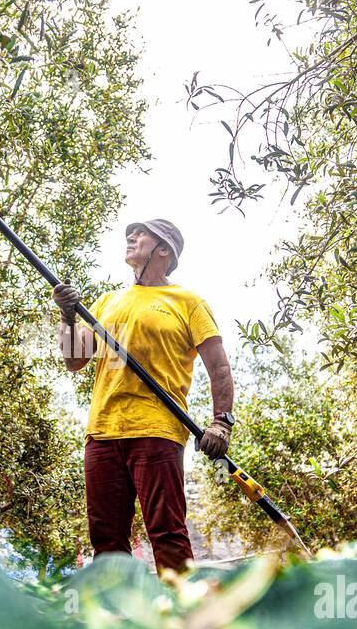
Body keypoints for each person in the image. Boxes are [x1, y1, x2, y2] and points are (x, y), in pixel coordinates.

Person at [52, 218, 236, 575]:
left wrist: (221, 422)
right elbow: (74, 360)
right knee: (106, 539)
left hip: (157, 430)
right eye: (130, 234)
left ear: (163, 249)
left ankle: (181, 618)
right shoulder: (108, 302)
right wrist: (67, 316)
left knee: (167, 532)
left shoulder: (187, 302)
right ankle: (117, 619)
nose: (131, 237)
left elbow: (219, 367)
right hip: (103, 432)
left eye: (141, 234)